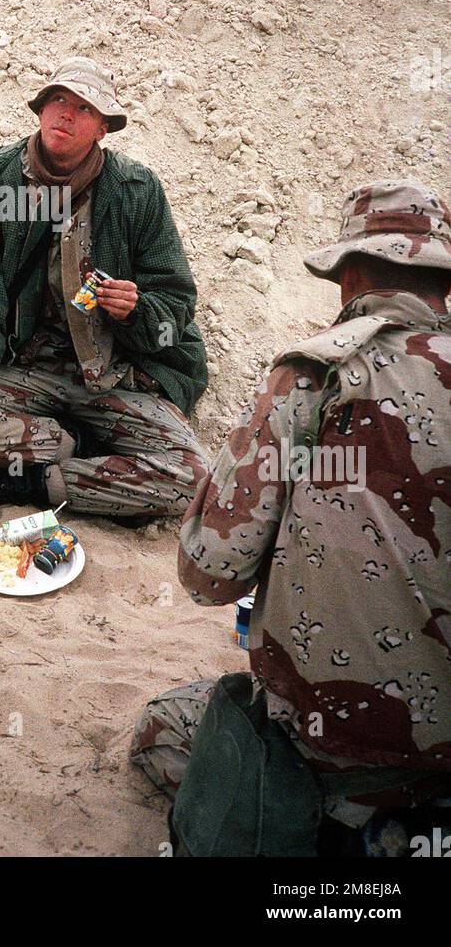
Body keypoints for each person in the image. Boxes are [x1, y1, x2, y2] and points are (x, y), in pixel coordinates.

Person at [131, 181, 451, 856]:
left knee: (161, 731)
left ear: (349, 275)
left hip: (332, 752)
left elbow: (209, 574)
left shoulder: (313, 375)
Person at [0, 55, 209, 545]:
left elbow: (176, 299)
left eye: (84, 108)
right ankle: (77, 443)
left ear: (102, 128)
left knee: (193, 479)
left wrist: (136, 310)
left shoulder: (137, 191)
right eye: (58, 100)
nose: (66, 114)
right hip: (28, 368)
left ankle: (29, 479)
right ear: (40, 109)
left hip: (115, 372)